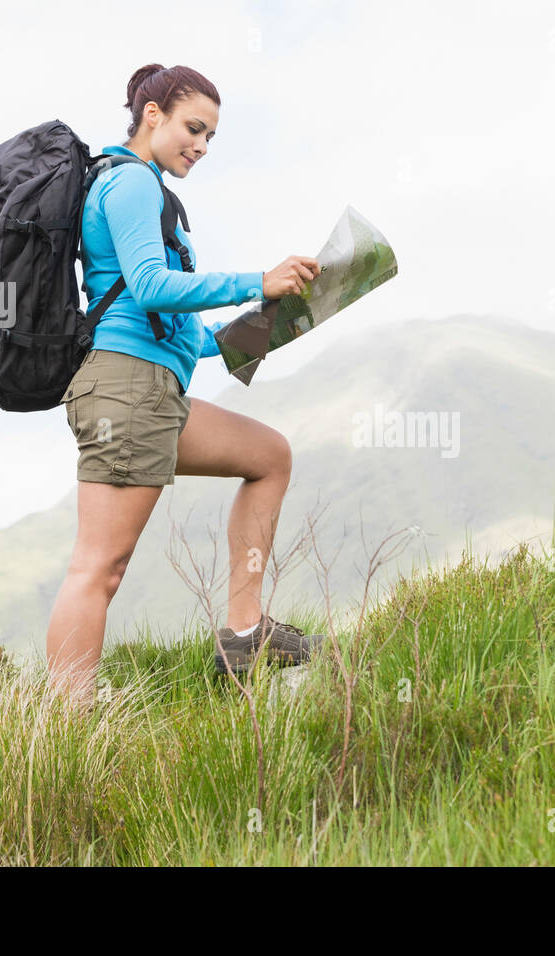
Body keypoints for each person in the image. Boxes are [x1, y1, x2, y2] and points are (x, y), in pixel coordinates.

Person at [45, 63, 323, 707]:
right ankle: (61, 728)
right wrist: (258, 280)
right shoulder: (132, 182)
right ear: (152, 116)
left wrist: (247, 332)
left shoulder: (145, 187)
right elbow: (146, 285)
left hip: (154, 387)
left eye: (210, 137)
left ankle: (245, 632)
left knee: (269, 456)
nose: (200, 145)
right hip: (125, 390)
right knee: (100, 569)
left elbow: (164, 320)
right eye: (192, 128)